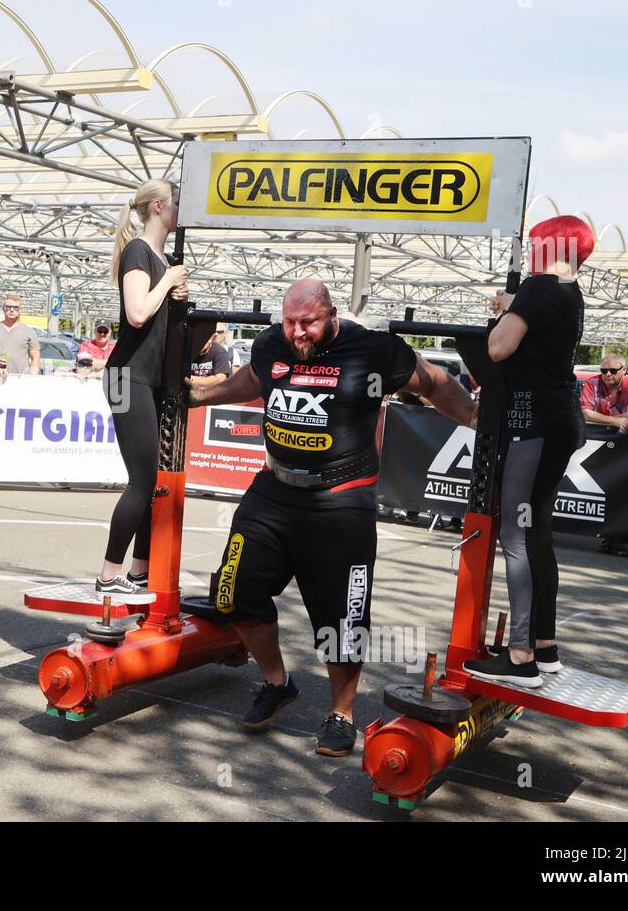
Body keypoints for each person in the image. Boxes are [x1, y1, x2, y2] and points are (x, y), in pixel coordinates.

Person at [190, 278, 474, 755]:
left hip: (342, 502)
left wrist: (473, 417)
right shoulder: (271, 343)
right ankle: (277, 683)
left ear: (332, 314)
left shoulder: (374, 351)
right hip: (274, 493)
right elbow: (255, 380)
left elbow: (435, 383)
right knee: (233, 592)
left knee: (343, 618)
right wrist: (202, 395)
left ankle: (341, 712)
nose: (297, 332)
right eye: (290, 322)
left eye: (309, 323)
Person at [463, 215, 590, 690]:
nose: (529, 247)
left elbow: (497, 348)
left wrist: (502, 314)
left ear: (553, 245)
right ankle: (543, 645)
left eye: (536, 240)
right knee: (536, 531)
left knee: (516, 533)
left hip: (531, 422)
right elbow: (539, 317)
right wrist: (515, 303)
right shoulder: (568, 291)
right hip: (557, 419)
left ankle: (520, 658)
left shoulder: (539, 287)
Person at [95, 179, 189, 596]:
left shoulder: (161, 258)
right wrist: (168, 282)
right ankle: (107, 576)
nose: (180, 211)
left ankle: (138, 571)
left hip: (147, 379)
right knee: (142, 479)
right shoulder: (138, 250)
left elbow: (164, 327)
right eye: (176, 203)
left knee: (154, 481)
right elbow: (135, 314)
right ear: (157, 207)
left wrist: (179, 295)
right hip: (124, 377)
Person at [579, 353, 628, 556]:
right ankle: (605, 536)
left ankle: (619, 539)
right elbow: (585, 412)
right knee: (600, 493)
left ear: (624, 370)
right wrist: (615, 421)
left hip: (626, 448)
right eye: (603, 370)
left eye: (612, 371)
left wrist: (600, 419)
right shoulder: (592, 382)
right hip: (596, 447)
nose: (607, 374)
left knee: (621, 492)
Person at [0, 293, 40, 376]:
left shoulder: (29, 331)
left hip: (19, 380)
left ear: (20, 310)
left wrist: (33, 373)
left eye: (15, 307)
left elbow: (36, 357)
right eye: (8, 307)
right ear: (3, 309)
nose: (12, 310)